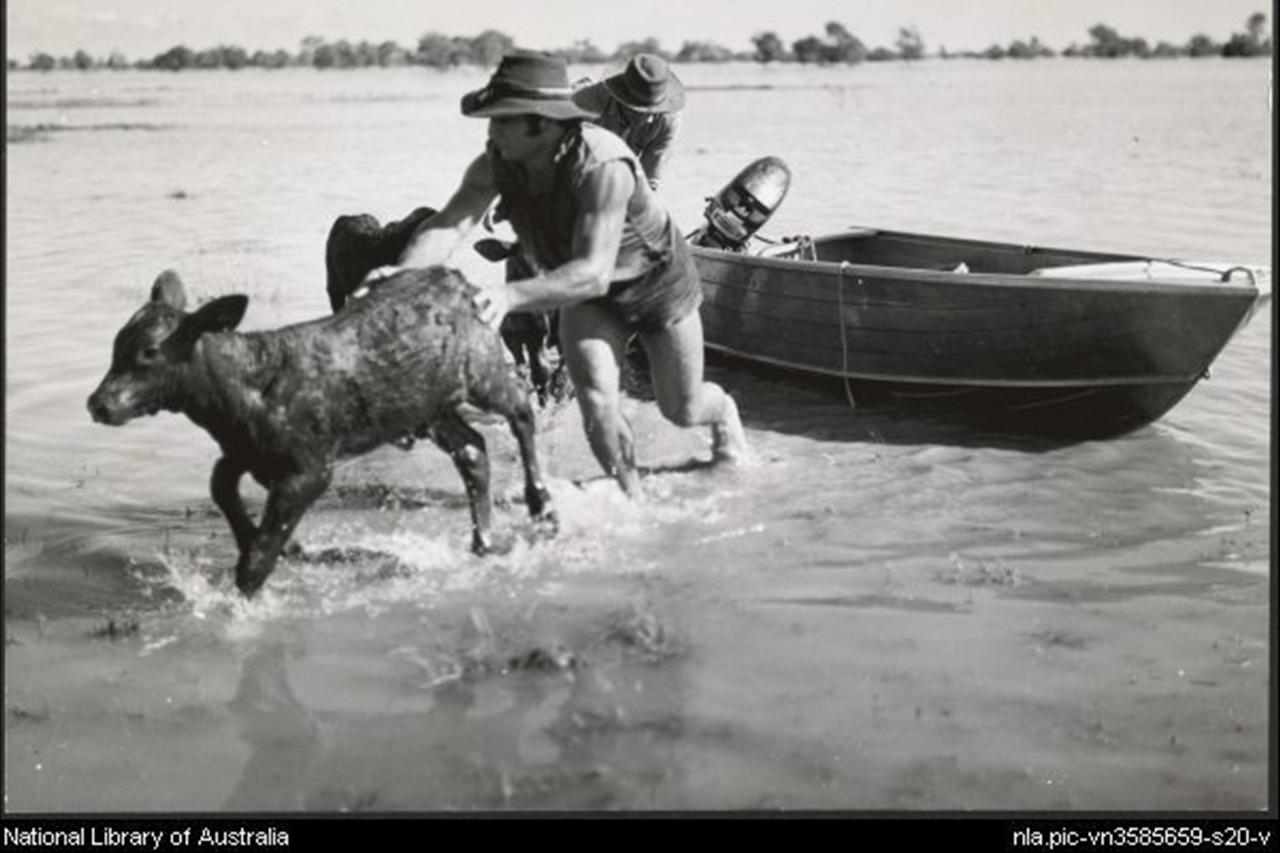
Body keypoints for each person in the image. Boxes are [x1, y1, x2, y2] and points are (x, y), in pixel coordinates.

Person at [370, 49, 746, 497]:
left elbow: (593, 271)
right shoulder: (495, 162)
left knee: (681, 408)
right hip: (584, 288)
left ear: (542, 122)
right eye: (491, 119)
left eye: (504, 120)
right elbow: (449, 226)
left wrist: (509, 296)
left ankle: (724, 414)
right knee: (596, 402)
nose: (492, 131)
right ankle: (634, 499)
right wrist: (399, 276)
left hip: (655, 281)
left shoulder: (603, 166)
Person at [572, 53, 684, 191]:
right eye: (638, 109)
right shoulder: (583, 102)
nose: (647, 118)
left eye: (652, 111)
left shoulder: (666, 120)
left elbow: (649, 180)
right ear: (621, 96)